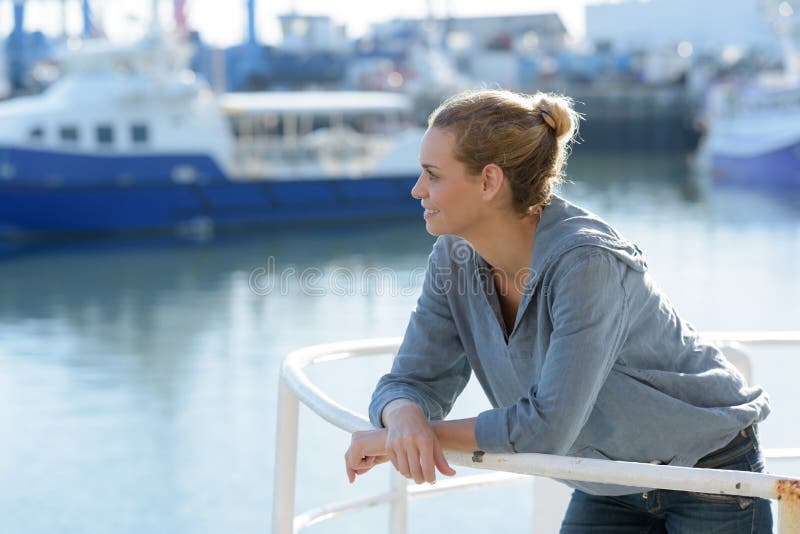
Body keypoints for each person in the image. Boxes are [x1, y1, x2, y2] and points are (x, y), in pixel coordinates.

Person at [343, 89, 773, 533]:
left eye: (433, 175)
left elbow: (546, 429)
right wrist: (402, 418)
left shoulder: (587, 263)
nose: (417, 190)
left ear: (489, 181)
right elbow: (410, 381)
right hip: (608, 482)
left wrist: (417, 436)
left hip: (709, 471)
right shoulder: (452, 258)